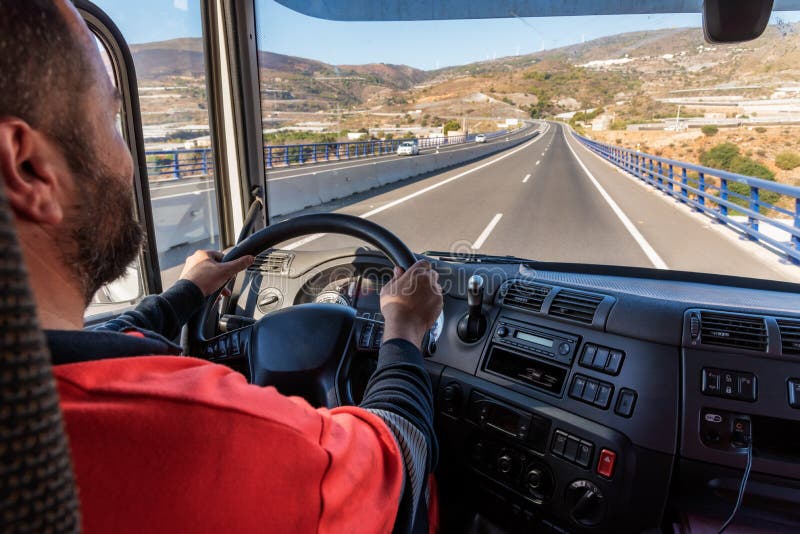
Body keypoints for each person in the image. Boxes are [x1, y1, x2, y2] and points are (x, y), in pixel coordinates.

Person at [0, 1, 443, 533]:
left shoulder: (33, 374)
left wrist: (187, 293)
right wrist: (403, 333)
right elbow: (392, 471)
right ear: (29, 168)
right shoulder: (170, 426)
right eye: (112, 121)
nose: (127, 159)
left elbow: (112, 336)